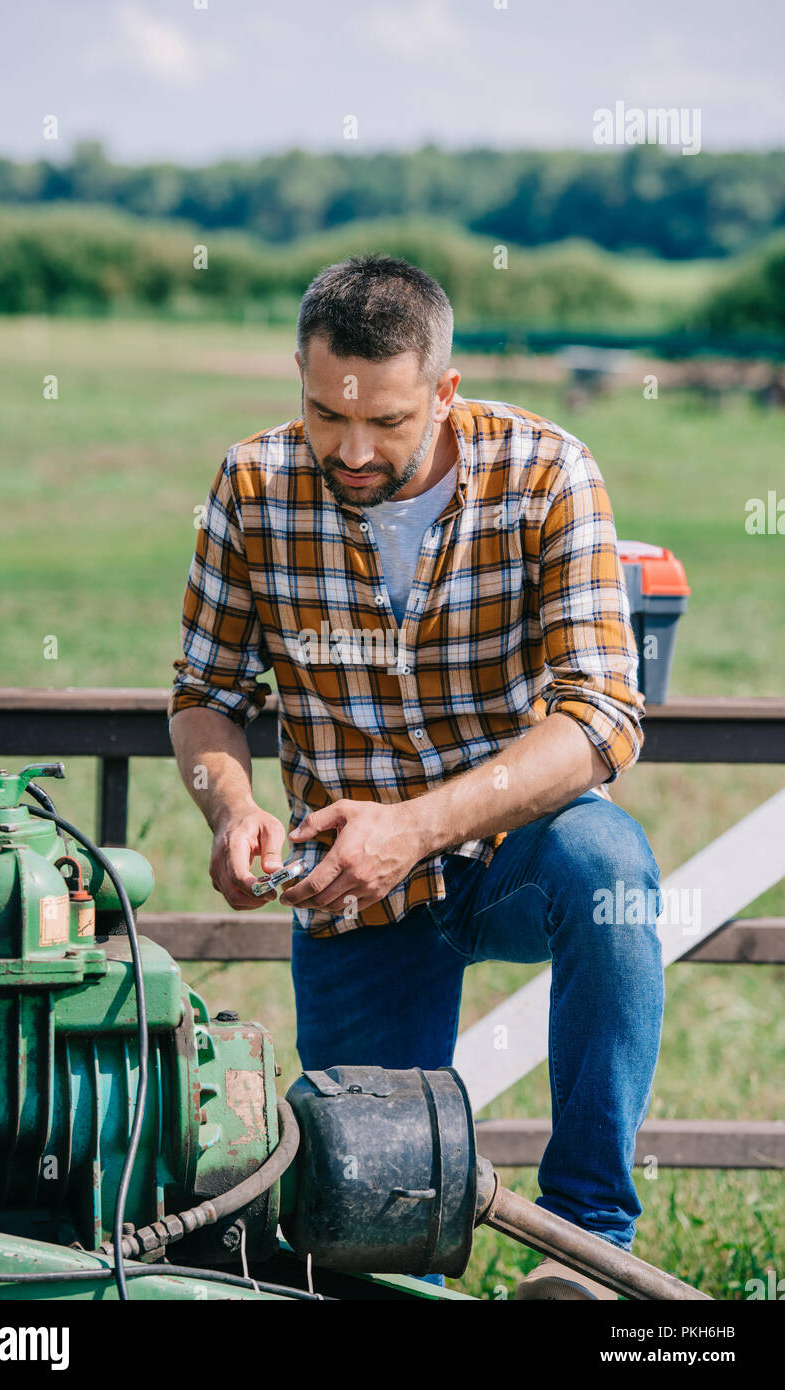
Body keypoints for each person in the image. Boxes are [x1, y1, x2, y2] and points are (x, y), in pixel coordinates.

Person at [168, 255, 664, 1300]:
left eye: (387, 423)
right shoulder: (252, 481)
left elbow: (604, 717)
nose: (351, 450)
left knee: (609, 863)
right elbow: (207, 693)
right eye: (323, 413)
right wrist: (237, 803)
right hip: (354, 889)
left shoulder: (547, 468)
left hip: (508, 852)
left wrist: (417, 825)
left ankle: (589, 1247)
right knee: (369, 1244)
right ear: (299, 375)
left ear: (446, 391)